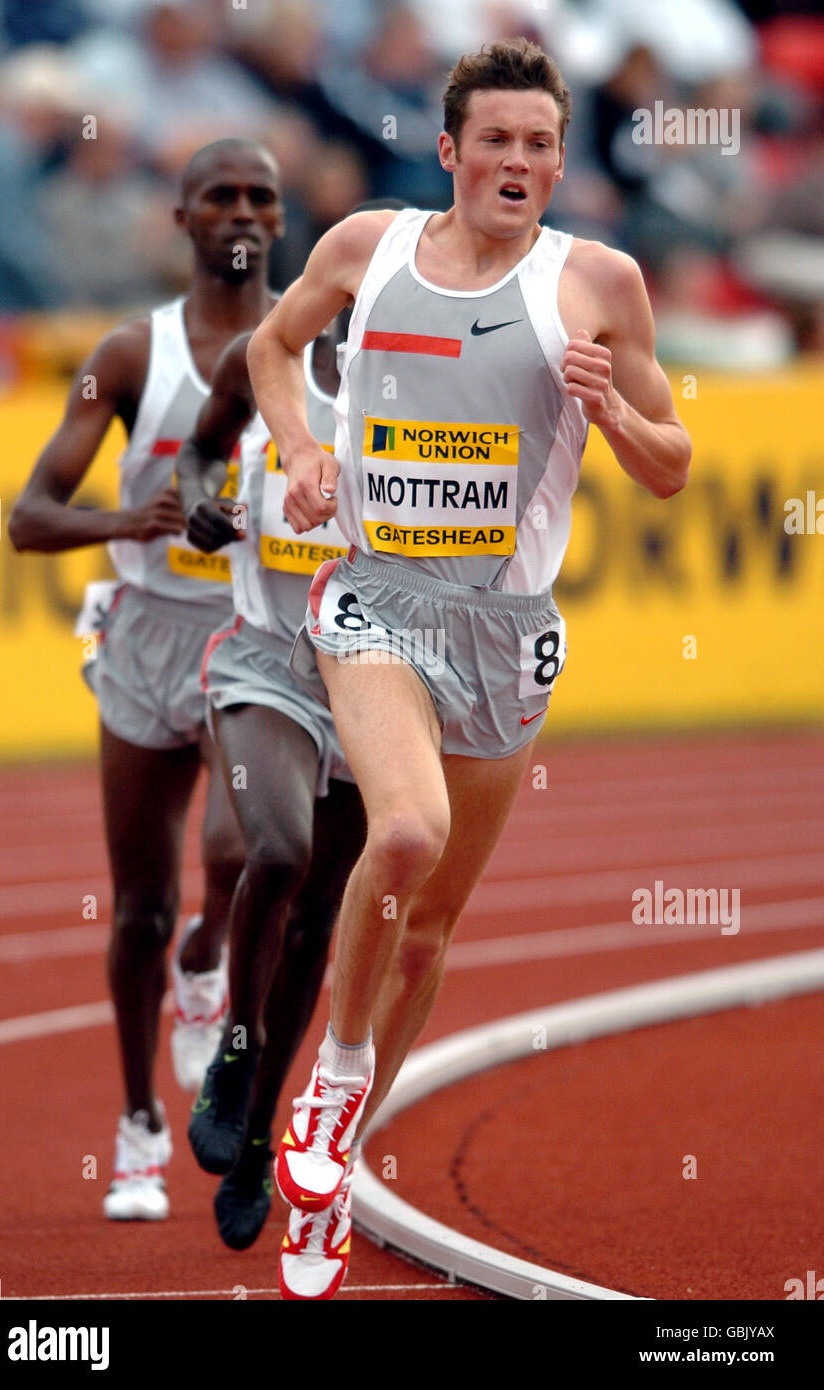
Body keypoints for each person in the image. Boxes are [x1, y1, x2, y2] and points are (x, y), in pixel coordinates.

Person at [246, 37, 692, 1299]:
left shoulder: (599, 281)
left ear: (560, 159)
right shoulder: (364, 250)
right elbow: (276, 353)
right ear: (448, 151)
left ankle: (327, 1194)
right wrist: (295, 449)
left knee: (432, 925)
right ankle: (329, 1090)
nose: (516, 161)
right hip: (377, 599)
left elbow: (672, 464)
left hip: (507, 632)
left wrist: (615, 419)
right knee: (403, 834)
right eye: (492, 139)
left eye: (538, 142)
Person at [8, 138, 285, 1220]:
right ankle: (136, 1126)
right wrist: (133, 517)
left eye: (261, 195)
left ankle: (210, 958)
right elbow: (31, 515)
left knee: (240, 847)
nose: (243, 212)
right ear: (181, 219)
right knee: (134, 910)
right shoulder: (130, 353)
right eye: (220, 195)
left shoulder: (300, 345)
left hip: (248, 630)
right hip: (140, 636)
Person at [175, 199, 408, 1272]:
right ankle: (235, 1043)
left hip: (375, 665)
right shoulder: (255, 367)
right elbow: (197, 463)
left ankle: (263, 1127)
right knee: (277, 848)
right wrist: (203, 506)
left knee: (321, 920)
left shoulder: (414, 390)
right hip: (268, 654)